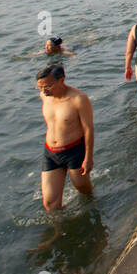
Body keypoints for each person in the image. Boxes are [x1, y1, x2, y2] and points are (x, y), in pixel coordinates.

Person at [37, 64, 94, 211]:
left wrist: (88, 158)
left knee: (83, 189)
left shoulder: (78, 99)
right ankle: (59, 231)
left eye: (48, 86)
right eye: (40, 87)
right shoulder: (44, 96)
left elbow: (88, 129)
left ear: (61, 80)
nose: (44, 91)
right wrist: (45, 90)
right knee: (50, 204)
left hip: (74, 151)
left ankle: (92, 209)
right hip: (51, 153)